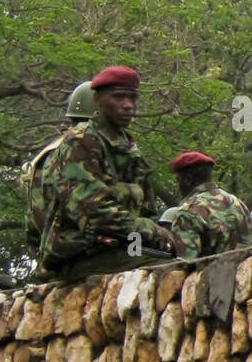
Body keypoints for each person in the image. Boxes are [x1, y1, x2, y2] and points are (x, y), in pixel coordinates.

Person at [36, 66, 173, 282]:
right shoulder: (81, 142)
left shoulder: (130, 149)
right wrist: (150, 231)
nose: (128, 105)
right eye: (119, 97)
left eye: (133, 98)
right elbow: (93, 210)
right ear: (98, 99)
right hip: (79, 256)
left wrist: (163, 236)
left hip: (123, 250)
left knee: (191, 263)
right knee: (173, 273)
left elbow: (147, 211)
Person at [24, 81, 95, 256]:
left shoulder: (48, 153)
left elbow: (32, 225)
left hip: (50, 255)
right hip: (90, 254)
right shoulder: (87, 146)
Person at [168, 152, 252, 261]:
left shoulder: (188, 210)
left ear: (188, 179)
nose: (178, 186)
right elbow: (247, 248)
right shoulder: (237, 203)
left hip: (207, 277)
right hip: (240, 274)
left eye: (178, 181)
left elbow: (185, 264)